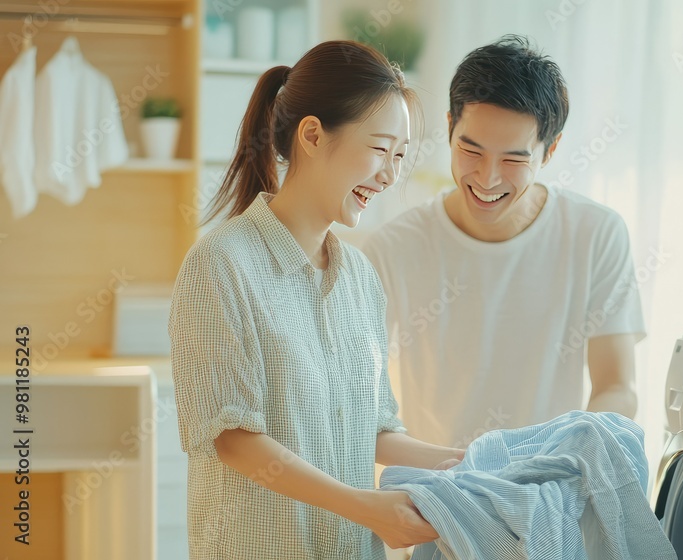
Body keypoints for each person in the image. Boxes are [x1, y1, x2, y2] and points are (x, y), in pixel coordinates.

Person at [168, 41, 463, 560]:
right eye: (379, 149)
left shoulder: (361, 279)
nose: (390, 175)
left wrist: (464, 461)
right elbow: (233, 438)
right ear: (311, 134)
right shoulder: (221, 265)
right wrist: (365, 507)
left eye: (400, 156)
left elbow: (372, 428)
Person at [363, 35, 645, 450]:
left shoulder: (595, 233)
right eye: (470, 150)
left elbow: (618, 386)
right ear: (448, 128)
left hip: (549, 487)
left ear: (549, 151)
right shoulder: (392, 249)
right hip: (435, 493)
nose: (488, 178)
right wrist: (466, 472)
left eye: (513, 159)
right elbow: (360, 400)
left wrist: (562, 459)